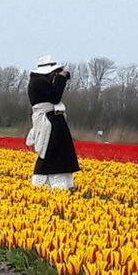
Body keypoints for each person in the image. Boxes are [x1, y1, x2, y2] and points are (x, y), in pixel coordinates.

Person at [25, 55, 80, 189]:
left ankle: (58, 182)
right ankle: (50, 182)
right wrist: (61, 78)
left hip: (53, 119)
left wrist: (61, 78)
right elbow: (55, 97)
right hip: (48, 121)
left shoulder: (39, 81)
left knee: (58, 151)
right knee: (49, 151)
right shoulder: (37, 82)